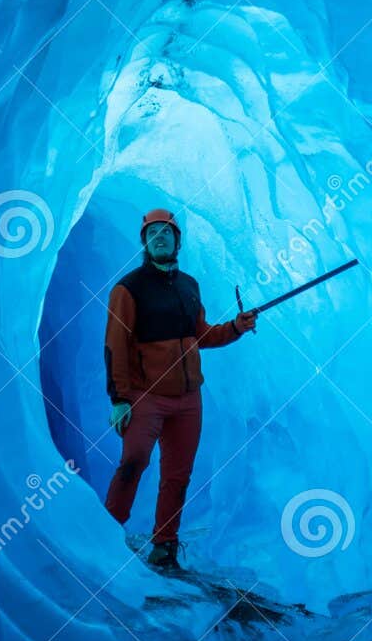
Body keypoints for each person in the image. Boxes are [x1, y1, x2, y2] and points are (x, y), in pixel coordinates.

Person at [102, 208, 256, 569]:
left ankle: (165, 546)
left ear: (177, 240)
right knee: (133, 462)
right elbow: (115, 345)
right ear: (144, 241)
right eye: (152, 233)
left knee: (178, 475)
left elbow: (200, 335)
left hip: (188, 400)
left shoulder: (189, 285)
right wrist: (120, 399)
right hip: (145, 396)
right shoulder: (128, 289)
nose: (160, 237)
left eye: (166, 232)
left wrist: (235, 326)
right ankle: (106, 536)